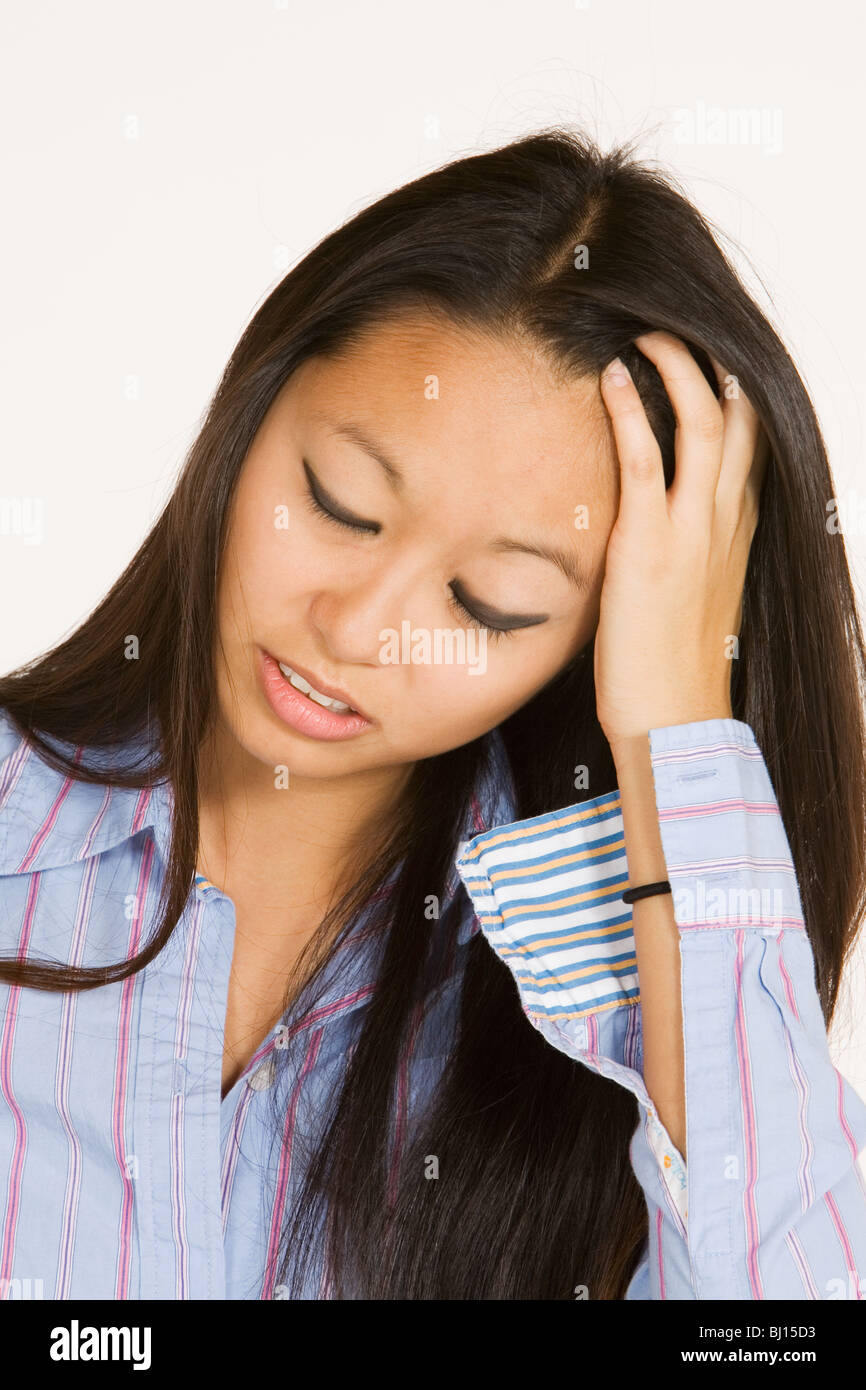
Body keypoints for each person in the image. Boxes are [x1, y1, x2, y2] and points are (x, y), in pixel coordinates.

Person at [1, 127, 865, 1301]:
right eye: (339, 502)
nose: (359, 629)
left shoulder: (608, 1007)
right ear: (249, 412)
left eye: (490, 605)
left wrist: (674, 729)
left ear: (593, 640)